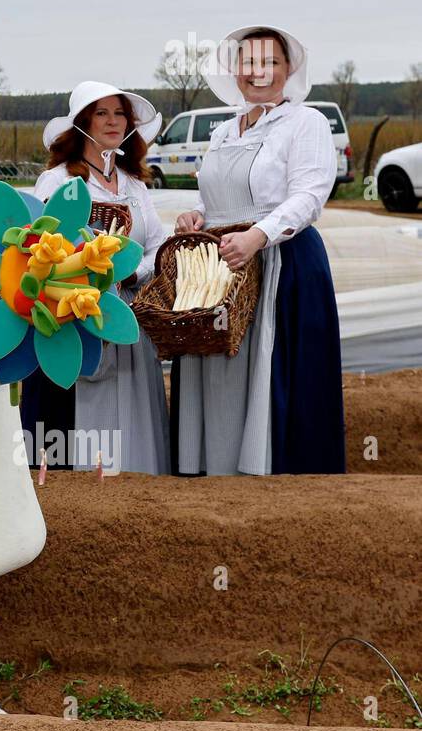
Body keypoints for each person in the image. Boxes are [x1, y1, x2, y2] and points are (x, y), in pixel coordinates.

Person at [172, 26, 344, 474]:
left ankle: (275, 471)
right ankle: (217, 464)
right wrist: (196, 217)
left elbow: (308, 196)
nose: (259, 72)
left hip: (282, 262)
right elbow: (214, 195)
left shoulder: (305, 123)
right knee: (218, 358)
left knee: (274, 369)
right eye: (249, 62)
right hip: (221, 265)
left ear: (289, 70)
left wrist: (257, 236)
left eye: (270, 62)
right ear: (236, 70)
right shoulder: (225, 130)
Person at [22, 82, 170, 474]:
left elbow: (157, 243)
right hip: (78, 321)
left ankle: (139, 481)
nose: (112, 121)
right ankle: (85, 490)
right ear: (83, 123)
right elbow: (42, 251)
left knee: (133, 413)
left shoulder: (135, 184)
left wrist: (133, 272)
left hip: (130, 319)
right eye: (101, 113)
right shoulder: (59, 182)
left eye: (119, 113)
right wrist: (93, 279)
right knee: (80, 415)